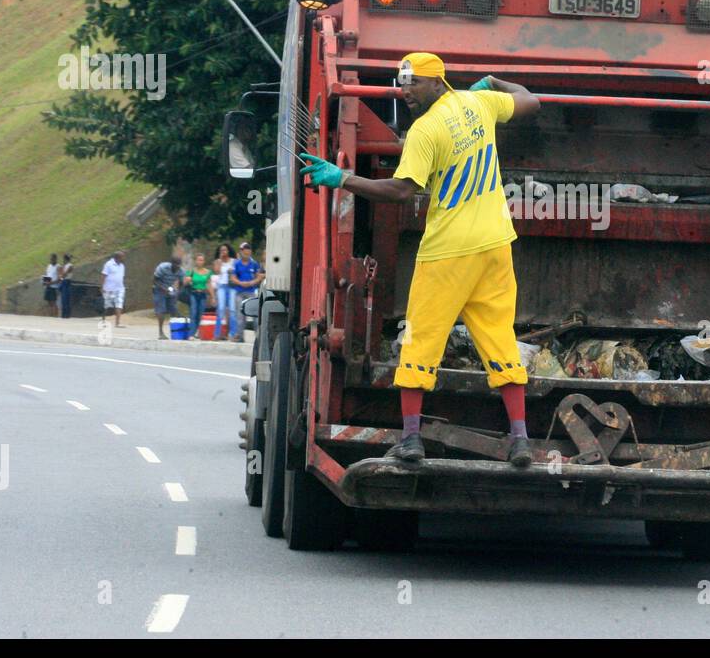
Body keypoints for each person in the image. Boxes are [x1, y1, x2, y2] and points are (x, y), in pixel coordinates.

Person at [300, 52, 541, 468]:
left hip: (447, 252)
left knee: (420, 342)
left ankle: (411, 439)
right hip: (496, 244)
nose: (405, 91)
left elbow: (400, 191)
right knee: (500, 340)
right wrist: (494, 83)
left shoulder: (425, 131)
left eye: (413, 84)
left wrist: (342, 179)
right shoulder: (478, 104)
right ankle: (520, 440)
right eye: (401, 83)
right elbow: (531, 101)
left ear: (437, 82)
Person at [228, 242, 264, 343]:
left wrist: (251, 282)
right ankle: (239, 336)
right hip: (239, 292)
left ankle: (258, 337)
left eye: (248, 249)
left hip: (251, 292)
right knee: (240, 315)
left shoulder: (254, 264)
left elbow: (259, 277)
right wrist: (241, 283)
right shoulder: (236, 264)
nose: (246, 251)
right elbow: (233, 277)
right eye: (244, 250)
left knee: (255, 316)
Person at [152, 256, 184, 340]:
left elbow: (181, 283)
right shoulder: (163, 267)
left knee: (173, 309)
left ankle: (177, 330)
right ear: (171, 264)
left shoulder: (181, 271)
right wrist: (163, 288)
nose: (178, 267)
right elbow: (155, 280)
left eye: (179, 265)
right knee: (161, 310)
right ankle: (161, 332)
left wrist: (177, 292)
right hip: (158, 289)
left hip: (169, 290)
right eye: (176, 265)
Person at [184, 253, 213, 340]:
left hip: (203, 294)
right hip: (194, 293)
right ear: (196, 261)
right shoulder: (191, 271)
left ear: (204, 261)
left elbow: (209, 284)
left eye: (202, 260)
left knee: (200, 314)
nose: (200, 262)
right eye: (198, 260)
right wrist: (187, 280)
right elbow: (185, 283)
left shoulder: (208, 272)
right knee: (193, 313)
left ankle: (198, 332)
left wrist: (213, 296)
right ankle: (191, 334)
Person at [212, 243, 237, 341]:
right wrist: (220, 260)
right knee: (221, 309)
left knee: (232, 310)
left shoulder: (234, 261)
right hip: (221, 286)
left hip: (232, 287)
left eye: (225, 250)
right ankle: (217, 334)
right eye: (221, 250)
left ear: (228, 251)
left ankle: (233, 333)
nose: (223, 252)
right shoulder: (217, 261)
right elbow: (217, 272)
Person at [101, 251, 126, 327]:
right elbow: (103, 275)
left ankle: (117, 323)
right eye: (122, 257)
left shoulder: (122, 266)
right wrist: (102, 287)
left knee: (119, 304)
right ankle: (103, 321)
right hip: (109, 289)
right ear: (117, 257)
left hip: (120, 288)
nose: (124, 258)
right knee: (106, 306)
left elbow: (121, 277)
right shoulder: (108, 264)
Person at [58, 253, 75, 319]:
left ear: (65, 259)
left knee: (66, 298)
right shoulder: (64, 266)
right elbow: (61, 275)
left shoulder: (70, 265)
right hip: (64, 281)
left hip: (67, 281)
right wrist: (61, 276)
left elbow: (64, 274)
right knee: (63, 299)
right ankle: (63, 314)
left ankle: (67, 314)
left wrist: (61, 275)